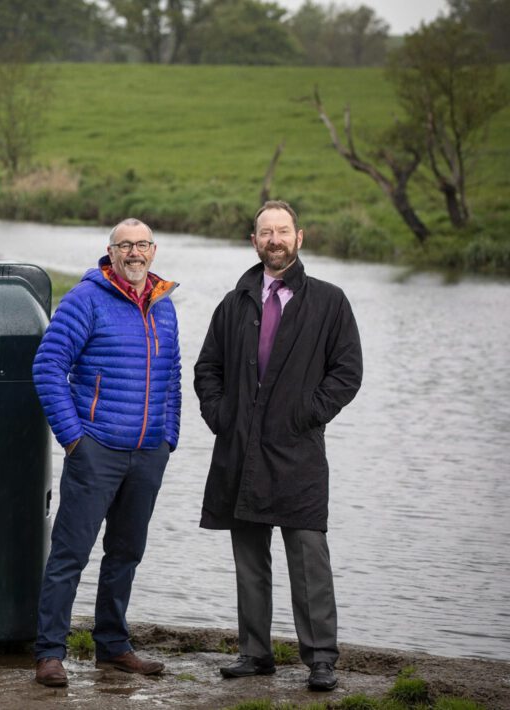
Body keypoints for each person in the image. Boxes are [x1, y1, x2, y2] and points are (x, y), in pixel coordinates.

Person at [194, 200, 362, 692]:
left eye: (282, 231)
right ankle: (254, 652)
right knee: (249, 560)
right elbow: (208, 370)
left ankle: (321, 660)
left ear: (299, 237)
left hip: (298, 450)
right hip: (241, 449)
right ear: (254, 241)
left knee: (309, 559)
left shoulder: (330, 301)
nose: (275, 239)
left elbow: (347, 373)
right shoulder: (235, 301)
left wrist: (306, 414)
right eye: (266, 232)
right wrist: (221, 416)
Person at [31, 217, 181, 687]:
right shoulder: (86, 299)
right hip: (96, 448)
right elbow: (48, 365)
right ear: (110, 253)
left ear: (153, 251)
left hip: (147, 452)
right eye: (125, 246)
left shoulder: (163, 305)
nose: (135, 253)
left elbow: (173, 375)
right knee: (70, 554)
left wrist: (168, 436)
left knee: (126, 553)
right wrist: (75, 438)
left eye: (143, 245)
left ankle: (113, 646)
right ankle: (50, 653)